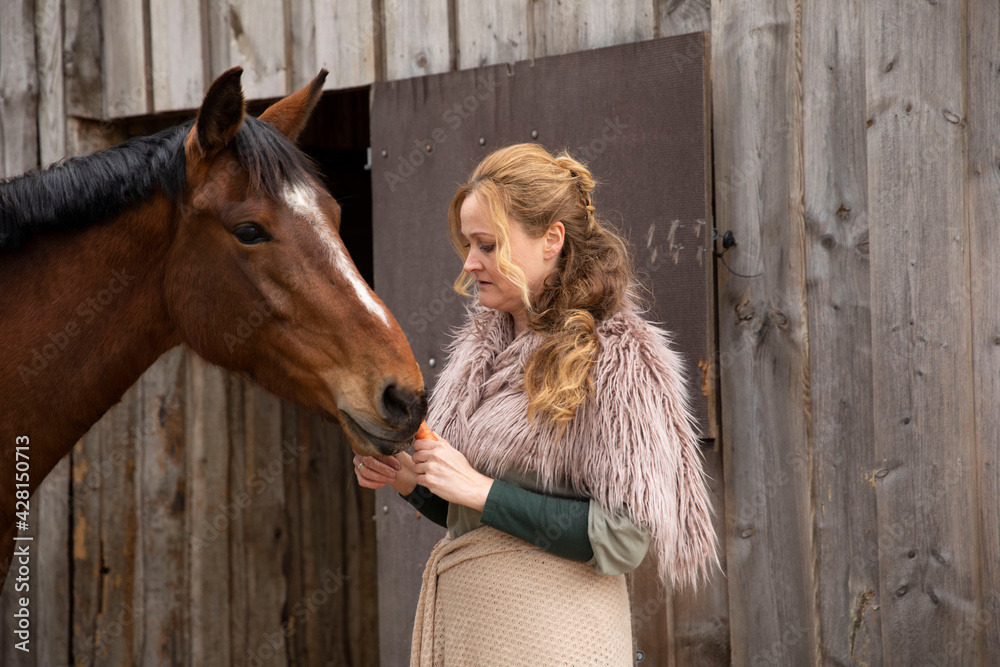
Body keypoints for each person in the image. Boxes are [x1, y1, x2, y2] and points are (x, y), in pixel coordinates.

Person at [354, 143, 717, 666]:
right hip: (475, 636)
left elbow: (622, 539)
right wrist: (411, 481)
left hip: (557, 641)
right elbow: (478, 517)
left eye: (487, 244)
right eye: (468, 244)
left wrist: (481, 489)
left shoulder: (616, 358)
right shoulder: (477, 353)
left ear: (551, 239)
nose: (470, 262)